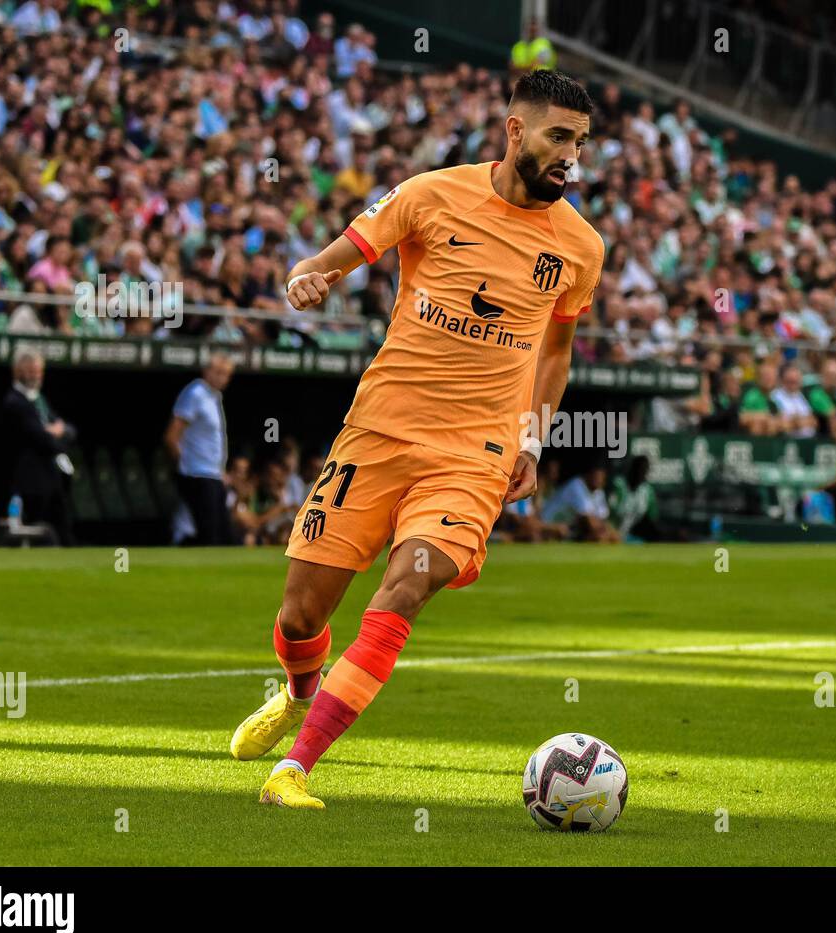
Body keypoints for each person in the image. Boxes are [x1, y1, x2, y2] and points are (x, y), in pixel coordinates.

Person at [235, 71, 604, 809]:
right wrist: (311, 275)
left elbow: (557, 352)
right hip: (378, 432)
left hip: (477, 455)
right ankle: (297, 692)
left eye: (581, 143)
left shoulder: (579, 247)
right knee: (302, 613)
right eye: (558, 138)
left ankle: (296, 770)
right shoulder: (431, 194)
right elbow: (340, 252)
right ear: (514, 131)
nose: (571, 156)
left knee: (407, 586)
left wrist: (532, 440)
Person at [1, 345, 75, 545]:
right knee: (33, 532)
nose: (37, 375)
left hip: (51, 478)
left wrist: (56, 432)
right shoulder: (14, 402)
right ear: (18, 371)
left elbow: (68, 430)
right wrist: (53, 433)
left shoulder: (40, 399)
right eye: (32, 371)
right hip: (27, 482)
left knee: (63, 532)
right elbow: (42, 439)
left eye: (39, 371)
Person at [165, 355, 234, 546]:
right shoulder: (195, 393)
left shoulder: (215, 397)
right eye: (218, 372)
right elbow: (172, 435)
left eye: (226, 375)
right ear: (206, 371)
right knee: (209, 534)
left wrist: (221, 470)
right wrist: (183, 466)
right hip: (197, 474)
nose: (222, 378)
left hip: (214, 474)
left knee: (224, 533)